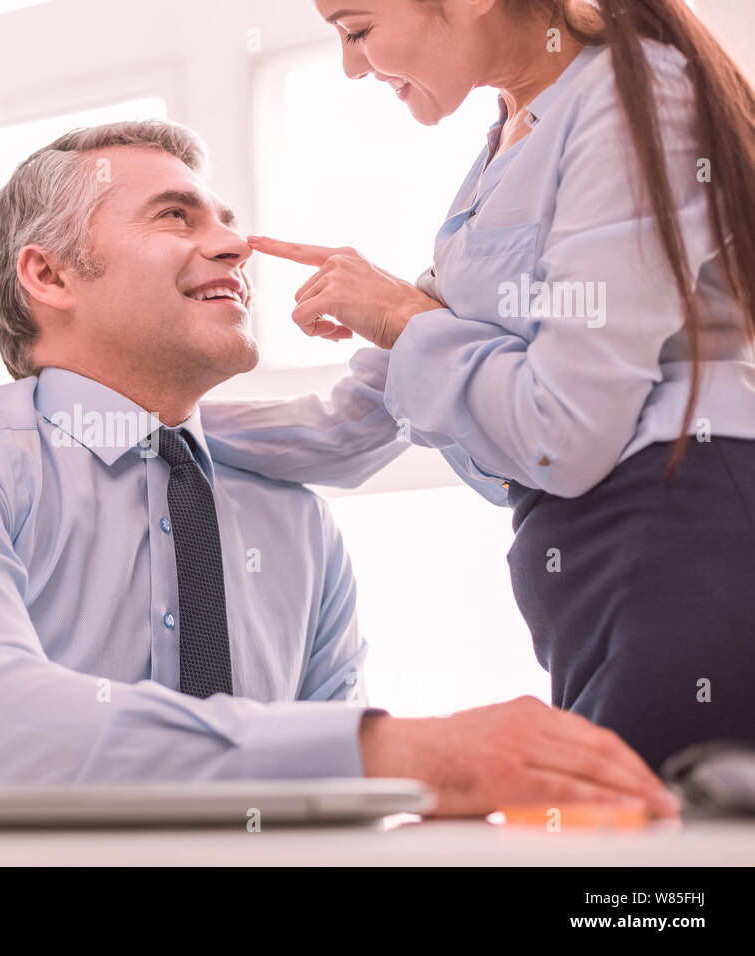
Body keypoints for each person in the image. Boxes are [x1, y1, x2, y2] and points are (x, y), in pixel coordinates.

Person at [0, 119, 676, 817]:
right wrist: (409, 753)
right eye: (176, 216)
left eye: (225, 220)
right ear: (50, 273)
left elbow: (330, 809)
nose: (234, 247)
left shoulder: (291, 519)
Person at [200, 0, 755, 772]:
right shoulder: (513, 131)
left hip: (686, 551)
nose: (352, 66)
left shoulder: (633, 99)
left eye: (356, 30)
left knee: (653, 884)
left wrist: (402, 314)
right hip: (605, 578)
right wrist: (146, 419)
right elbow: (351, 423)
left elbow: (562, 434)